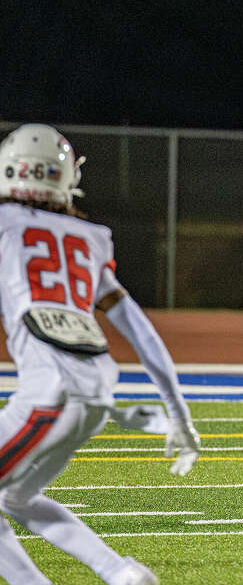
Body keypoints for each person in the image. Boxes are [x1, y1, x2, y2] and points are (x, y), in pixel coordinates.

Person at [0, 124, 201, 585]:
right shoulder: (88, 237)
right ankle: (123, 573)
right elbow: (142, 333)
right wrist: (180, 416)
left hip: (46, 399)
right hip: (96, 399)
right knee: (15, 499)